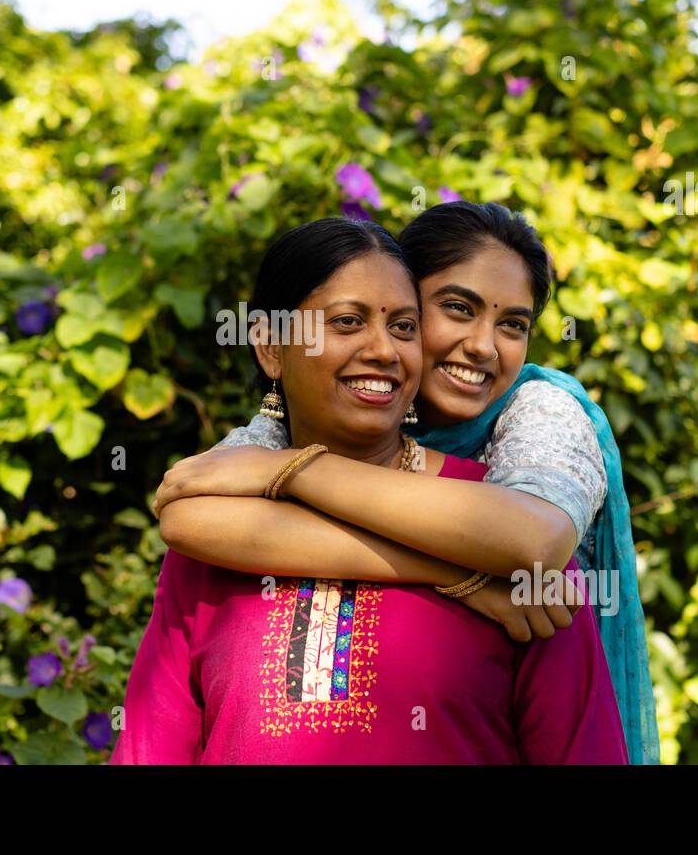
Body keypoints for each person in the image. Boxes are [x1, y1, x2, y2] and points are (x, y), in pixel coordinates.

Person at [153, 202, 659, 765]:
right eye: (456, 309)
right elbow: (185, 517)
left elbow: (531, 545)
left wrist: (294, 470)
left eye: (512, 324)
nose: (484, 346)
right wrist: (462, 574)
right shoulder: (275, 434)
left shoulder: (539, 415)